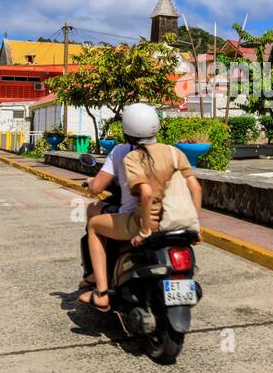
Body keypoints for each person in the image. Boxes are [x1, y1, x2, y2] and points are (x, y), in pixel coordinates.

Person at [78, 104, 202, 312]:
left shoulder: (131, 156)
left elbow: (144, 193)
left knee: (93, 225)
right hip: (175, 222)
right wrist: (195, 227)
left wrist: (145, 230)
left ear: (127, 131)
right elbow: (196, 188)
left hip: (141, 223)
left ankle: (101, 293)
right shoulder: (173, 152)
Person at [77, 136, 132, 292]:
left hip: (133, 216)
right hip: (162, 215)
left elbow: (96, 188)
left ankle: (100, 282)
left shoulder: (122, 150)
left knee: (93, 217)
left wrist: (92, 181)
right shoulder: (166, 151)